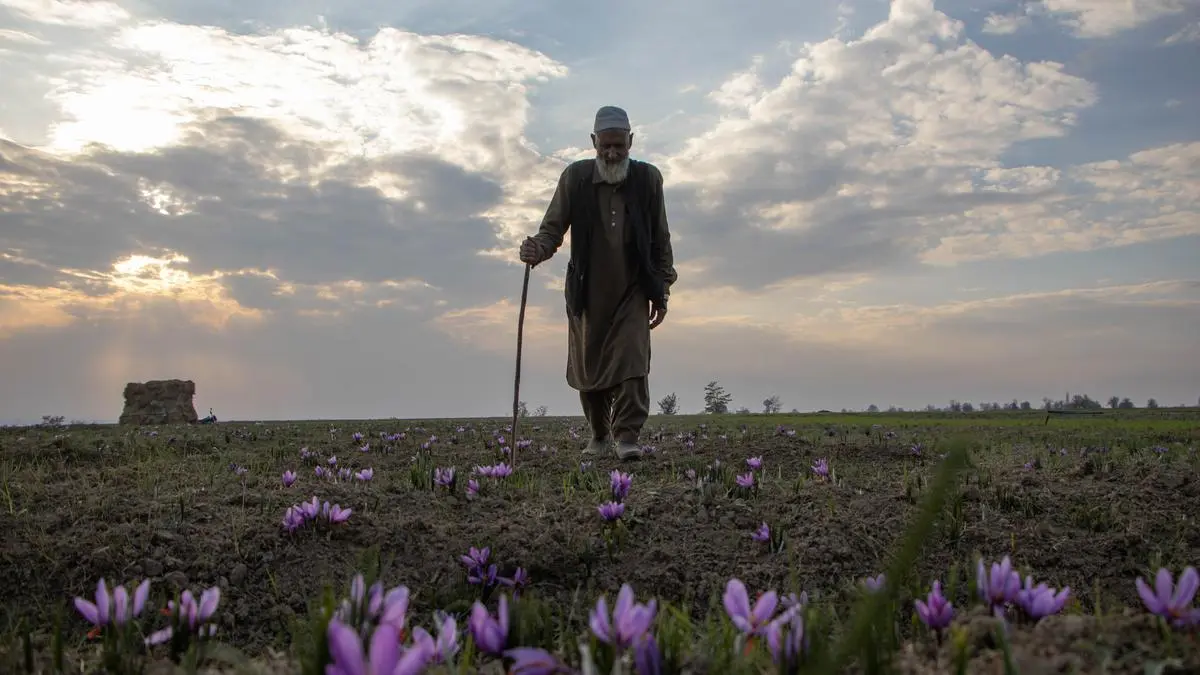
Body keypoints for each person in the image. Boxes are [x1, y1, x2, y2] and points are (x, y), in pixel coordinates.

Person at [519, 105, 677, 460]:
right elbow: (552, 229)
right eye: (605, 146)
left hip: (635, 287)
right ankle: (599, 434)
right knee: (589, 369)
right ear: (593, 141)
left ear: (631, 142)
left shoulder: (648, 180)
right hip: (588, 291)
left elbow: (660, 239)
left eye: (619, 146)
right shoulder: (575, 178)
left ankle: (627, 437)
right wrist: (537, 249)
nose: (612, 153)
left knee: (633, 362)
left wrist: (663, 287)